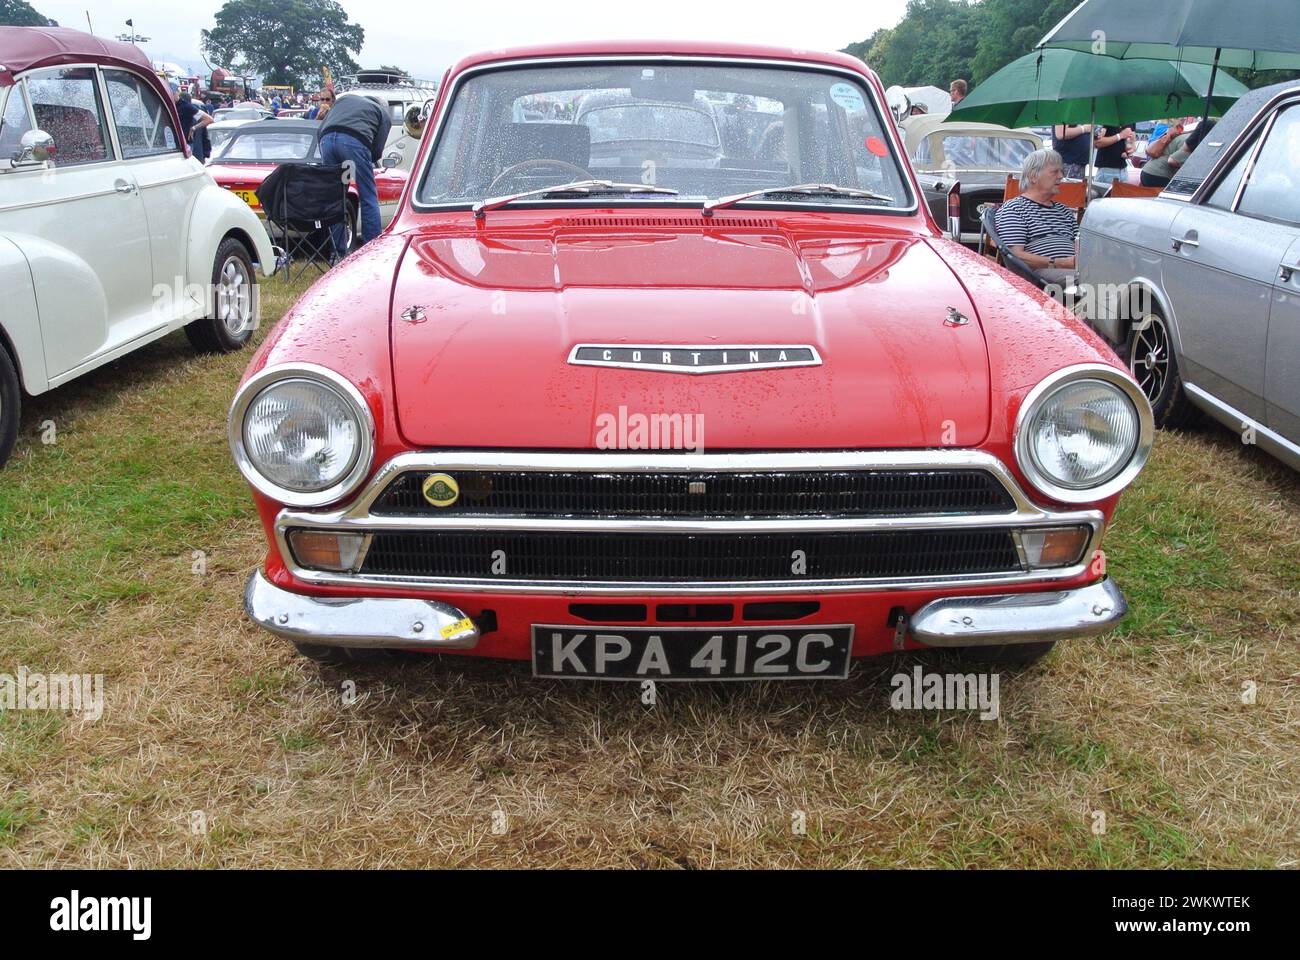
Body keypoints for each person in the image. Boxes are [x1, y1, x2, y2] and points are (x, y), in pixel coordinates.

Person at [317, 93, 391, 259]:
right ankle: (371, 252)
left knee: (336, 199)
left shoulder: (345, 99)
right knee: (368, 197)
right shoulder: (382, 113)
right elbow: (376, 152)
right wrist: (361, 164)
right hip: (354, 143)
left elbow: (320, 130)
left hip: (327, 141)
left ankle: (338, 253)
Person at [994, 148, 1078, 286]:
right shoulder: (1014, 208)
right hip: (1041, 272)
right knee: (1098, 282)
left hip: (1074, 269)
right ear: (1033, 176)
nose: (1061, 176)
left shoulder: (1064, 210)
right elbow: (1015, 255)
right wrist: (1058, 263)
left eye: (1061, 171)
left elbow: (1079, 246)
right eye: (1055, 172)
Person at [1141, 119, 1215, 188]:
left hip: (1147, 171)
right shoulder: (1189, 142)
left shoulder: (1185, 136)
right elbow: (1172, 161)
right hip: (1158, 175)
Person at [175, 90, 213, 162]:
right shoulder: (198, 114)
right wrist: (206, 153)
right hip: (198, 154)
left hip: (188, 151)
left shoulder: (188, 112)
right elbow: (205, 136)